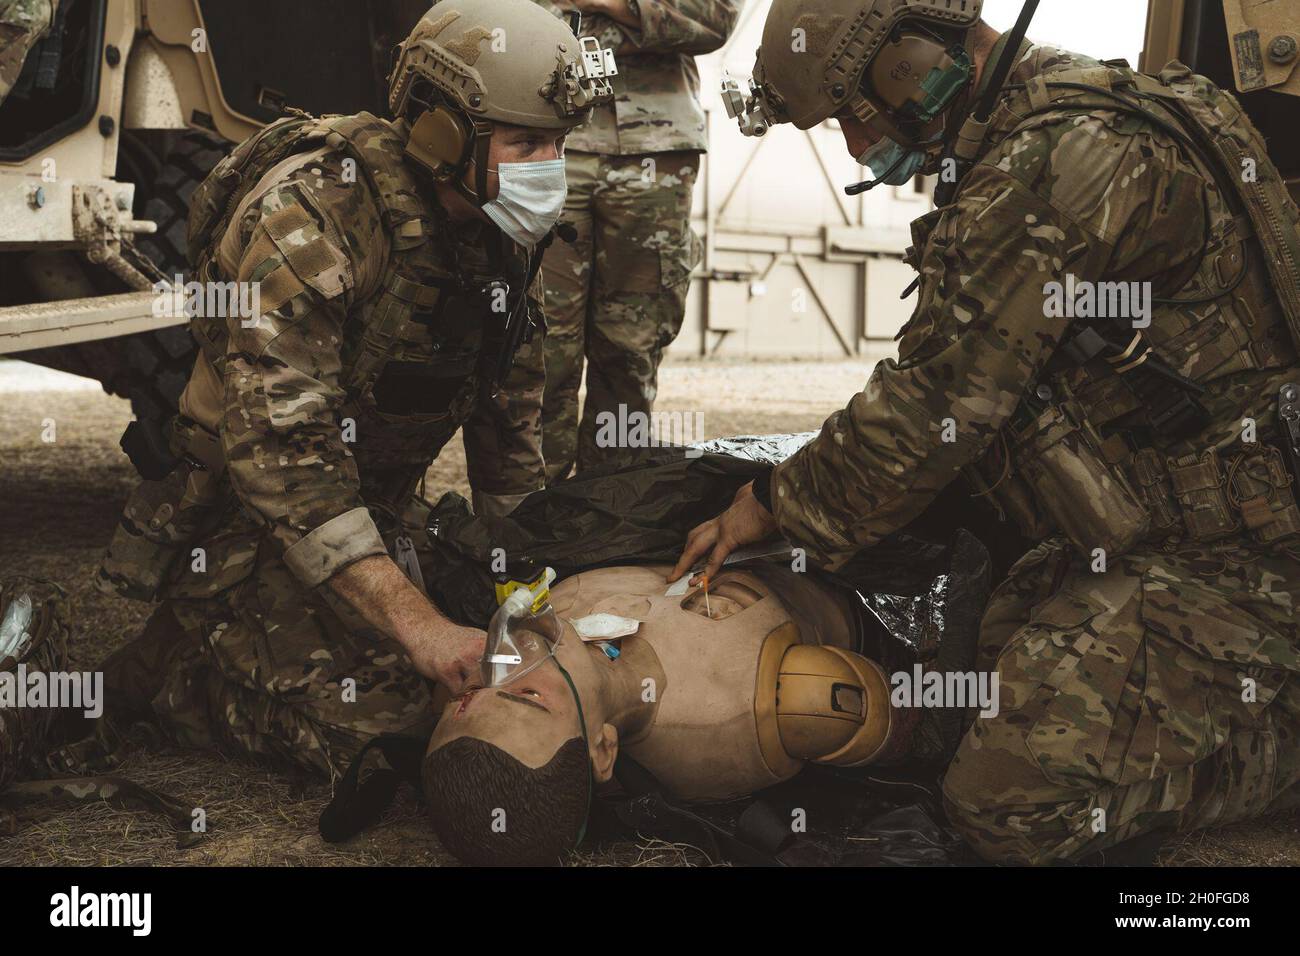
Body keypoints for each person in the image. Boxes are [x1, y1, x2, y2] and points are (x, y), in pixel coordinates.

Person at [671, 0, 1300, 864]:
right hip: (1168, 536)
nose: (856, 149)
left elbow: (936, 407)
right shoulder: (1079, 117)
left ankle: (1279, 734)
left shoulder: (1059, 157)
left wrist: (770, 503)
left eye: (853, 116)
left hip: (1238, 569)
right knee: (971, 680)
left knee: (1004, 802)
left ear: (909, 62)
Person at [88, 0, 618, 779]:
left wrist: (520, 580)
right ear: (443, 130)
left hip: (369, 518)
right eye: (527, 141)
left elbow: (509, 425)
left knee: (493, 657)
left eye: (559, 145)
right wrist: (424, 629)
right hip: (250, 524)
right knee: (397, 724)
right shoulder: (313, 217)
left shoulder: (497, 224)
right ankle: (169, 673)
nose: (551, 169)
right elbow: (282, 459)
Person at [421, 561, 903, 865]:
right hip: (829, 565)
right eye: (528, 696)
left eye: (475, 685)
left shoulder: (548, 622)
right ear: (603, 750)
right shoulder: (749, 704)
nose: (503, 663)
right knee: (817, 699)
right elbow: (889, 711)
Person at [536, 0, 739, 482]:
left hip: (656, 149)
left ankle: (606, 507)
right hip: (547, 135)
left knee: (631, 346)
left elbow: (716, 18)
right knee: (539, 346)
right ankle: (532, 518)